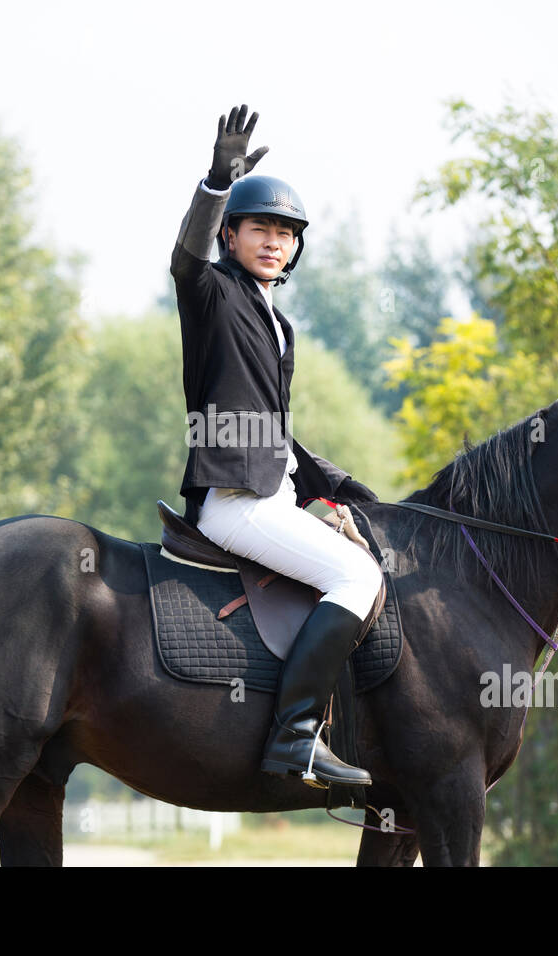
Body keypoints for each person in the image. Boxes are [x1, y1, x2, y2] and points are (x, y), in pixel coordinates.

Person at [169, 104, 382, 789]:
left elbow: (277, 431)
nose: (273, 242)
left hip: (270, 490)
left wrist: (341, 488)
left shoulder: (276, 319)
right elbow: (185, 256)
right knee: (358, 578)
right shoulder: (212, 292)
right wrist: (214, 182)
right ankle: (295, 739)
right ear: (231, 235)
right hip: (235, 500)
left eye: (286, 234)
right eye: (260, 228)